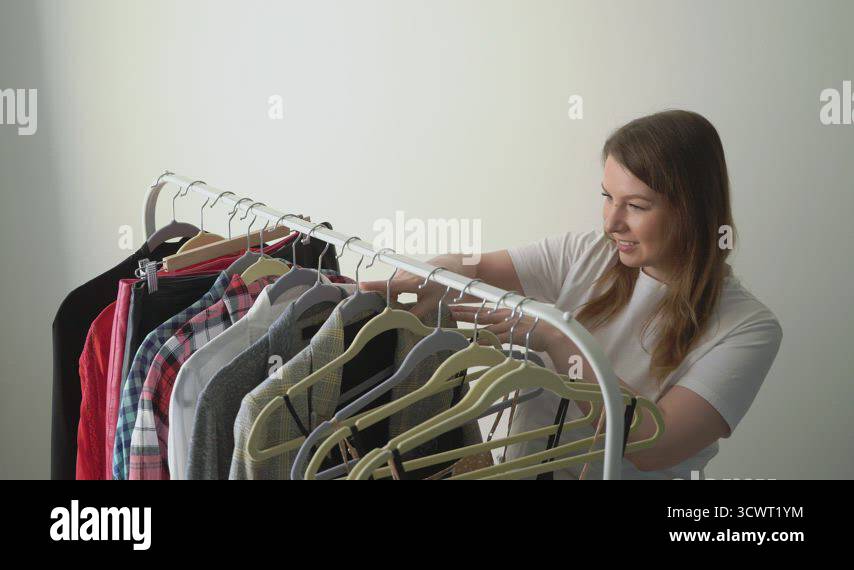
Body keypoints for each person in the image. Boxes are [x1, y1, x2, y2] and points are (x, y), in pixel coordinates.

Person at [361, 110, 783, 480]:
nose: (611, 223)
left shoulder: (748, 329)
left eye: (636, 206)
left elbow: (654, 447)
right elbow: (477, 264)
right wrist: (449, 265)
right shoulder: (588, 253)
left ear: (693, 209)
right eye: (607, 197)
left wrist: (562, 339)